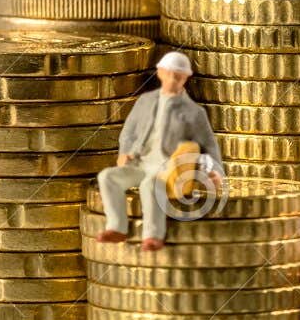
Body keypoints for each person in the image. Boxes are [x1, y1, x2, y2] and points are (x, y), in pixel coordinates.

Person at [95, 52, 224, 251]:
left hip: (167, 167)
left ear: (186, 78)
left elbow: (209, 146)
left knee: (150, 184)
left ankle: (153, 236)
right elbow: (128, 131)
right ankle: (117, 227)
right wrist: (125, 152)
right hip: (140, 162)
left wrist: (215, 172)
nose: (173, 80)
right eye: (169, 74)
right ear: (160, 73)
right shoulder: (145, 101)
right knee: (107, 177)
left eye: (178, 76)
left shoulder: (194, 112)